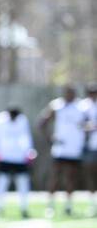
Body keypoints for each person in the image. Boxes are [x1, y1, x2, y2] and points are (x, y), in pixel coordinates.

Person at [37, 85, 85, 217]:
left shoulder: (81, 107)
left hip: (74, 148)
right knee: (55, 177)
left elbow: (85, 125)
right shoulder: (57, 106)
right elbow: (42, 123)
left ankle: (68, 206)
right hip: (60, 148)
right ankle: (51, 206)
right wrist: (50, 139)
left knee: (71, 177)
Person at [0, 106, 35, 218]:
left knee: (23, 182)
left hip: (19, 157)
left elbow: (26, 136)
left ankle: (24, 207)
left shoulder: (22, 120)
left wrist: (29, 151)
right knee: (2, 182)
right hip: (4, 156)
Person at [77, 83, 97, 216]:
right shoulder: (83, 106)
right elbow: (79, 124)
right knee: (90, 175)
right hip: (90, 145)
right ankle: (93, 204)